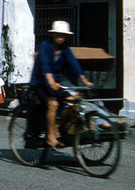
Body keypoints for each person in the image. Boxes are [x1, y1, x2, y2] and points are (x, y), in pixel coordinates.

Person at [30, 20, 93, 148]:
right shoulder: (45, 46)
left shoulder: (65, 49)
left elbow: (73, 63)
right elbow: (45, 65)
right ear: (53, 34)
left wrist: (84, 79)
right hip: (40, 82)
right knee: (53, 103)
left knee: (74, 102)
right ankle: (49, 136)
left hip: (56, 82)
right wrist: (51, 81)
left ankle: (57, 126)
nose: (61, 37)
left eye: (63, 35)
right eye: (58, 34)